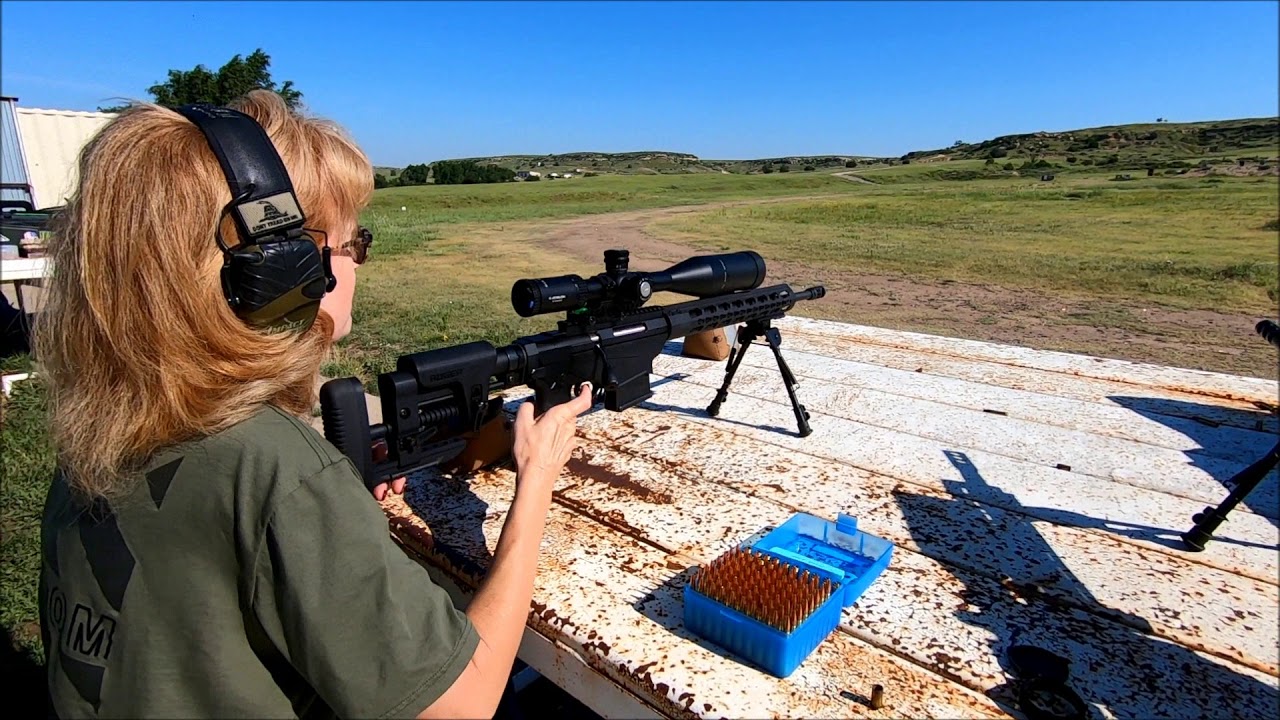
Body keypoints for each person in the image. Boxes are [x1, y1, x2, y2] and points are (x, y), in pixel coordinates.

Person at [34, 89, 593, 719]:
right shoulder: (273, 466)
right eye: (354, 245)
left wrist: (321, 517)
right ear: (280, 271)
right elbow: (465, 703)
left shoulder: (97, 431)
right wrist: (538, 477)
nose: (357, 263)